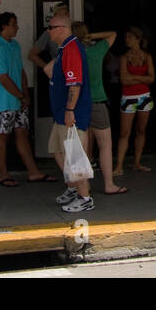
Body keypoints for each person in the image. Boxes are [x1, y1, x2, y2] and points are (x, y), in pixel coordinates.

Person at [0, 12, 53, 186]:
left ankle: (33, 172)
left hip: (19, 99)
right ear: (4, 26)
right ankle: (3, 174)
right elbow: (3, 77)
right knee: (2, 135)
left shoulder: (15, 45)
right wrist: (20, 95)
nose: (17, 27)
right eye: (14, 24)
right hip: (3, 101)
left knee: (22, 134)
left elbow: (20, 71)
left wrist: (25, 93)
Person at [44, 11, 95, 212]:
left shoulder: (72, 48)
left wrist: (69, 109)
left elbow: (75, 84)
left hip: (71, 114)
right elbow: (50, 70)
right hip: (60, 114)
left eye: (51, 28)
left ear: (62, 29)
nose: (48, 32)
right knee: (57, 150)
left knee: (75, 155)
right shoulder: (64, 49)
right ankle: (73, 188)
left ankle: (85, 198)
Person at [72, 22, 127, 195]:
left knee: (81, 146)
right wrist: (92, 36)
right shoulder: (96, 51)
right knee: (105, 145)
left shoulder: (71, 54)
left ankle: (83, 185)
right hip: (97, 101)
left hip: (77, 104)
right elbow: (112, 33)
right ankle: (109, 184)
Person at [115, 26, 154, 175]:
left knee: (141, 129)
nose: (126, 40)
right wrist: (142, 79)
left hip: (144, 96)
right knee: (124, 132)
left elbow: (152, 78)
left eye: (129, 37)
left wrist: (134, 77)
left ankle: (137, 162)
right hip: (129, 97)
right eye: (126, 37)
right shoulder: (124, 57)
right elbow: (123, 80)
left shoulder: (147, 56)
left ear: (138, 39)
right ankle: (119, 166)